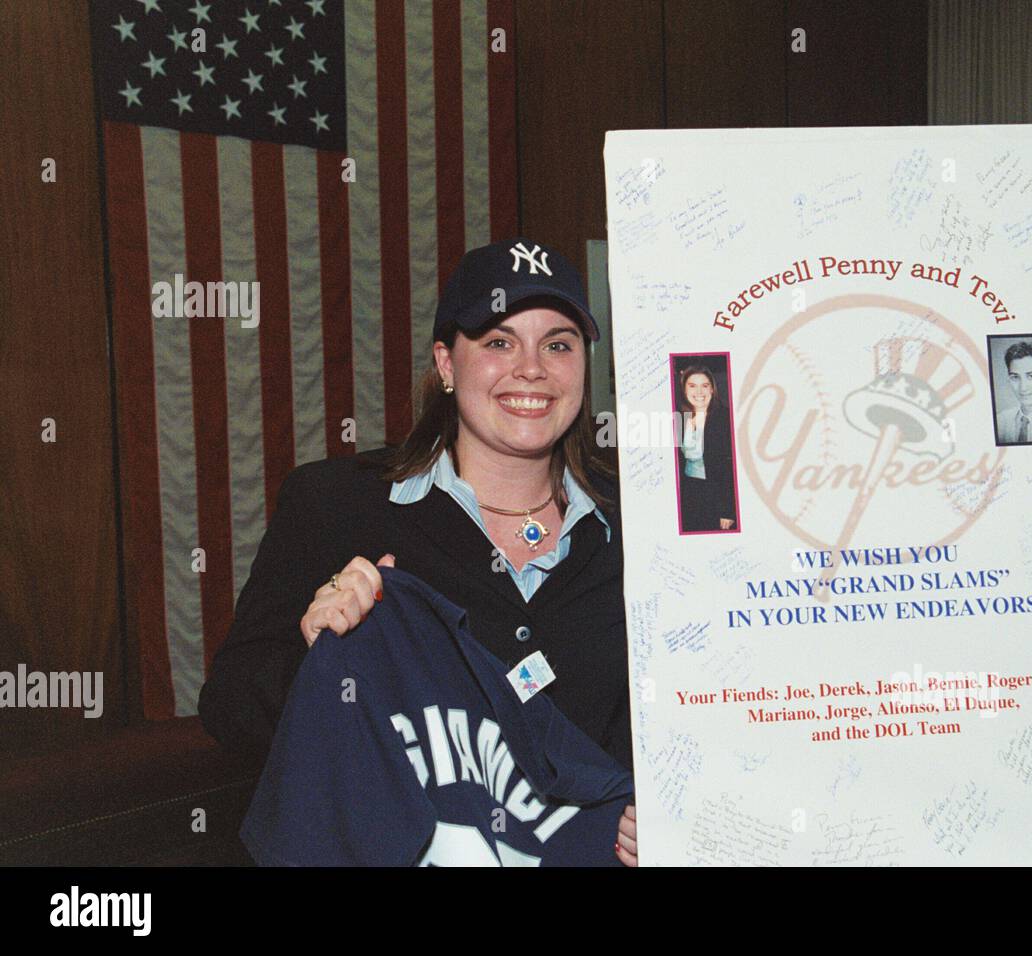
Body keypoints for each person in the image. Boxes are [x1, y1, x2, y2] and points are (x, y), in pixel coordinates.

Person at [198, 236, 638, 866]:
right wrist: (314, 649)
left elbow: (677, 716)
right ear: (446, 364)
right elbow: (230, 709)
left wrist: (666, 808)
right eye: (499, 342)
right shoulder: (337, 506)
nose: (532, 369)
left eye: (558, 344)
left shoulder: (640, 523)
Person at [675, 364, 738, 533]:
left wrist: (728, 510)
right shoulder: (679, 418)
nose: (699, 392)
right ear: (684, 390)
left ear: (712, 389)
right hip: (688, 494)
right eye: (692, 386)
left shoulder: (725, 418)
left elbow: (731, 469)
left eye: (704, 385)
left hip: (716, 496)